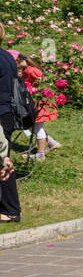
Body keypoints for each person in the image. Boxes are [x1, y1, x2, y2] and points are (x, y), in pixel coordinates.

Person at [15, 54, 62, 157]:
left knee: (37, 127)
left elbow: (44, 82)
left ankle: (40, 154)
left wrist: (37, 90)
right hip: (34, 101)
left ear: (19, 62)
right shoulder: (26, 70)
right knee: (33, 125)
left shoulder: (32, 70)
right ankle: (51, 142)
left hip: (39, 102)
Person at [0, 48, 22, 223]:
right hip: (7, 111)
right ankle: (10, 209)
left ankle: (11, 210)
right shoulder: (7, 55)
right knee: (4, 158)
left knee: (4, 161)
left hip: (1, 112)